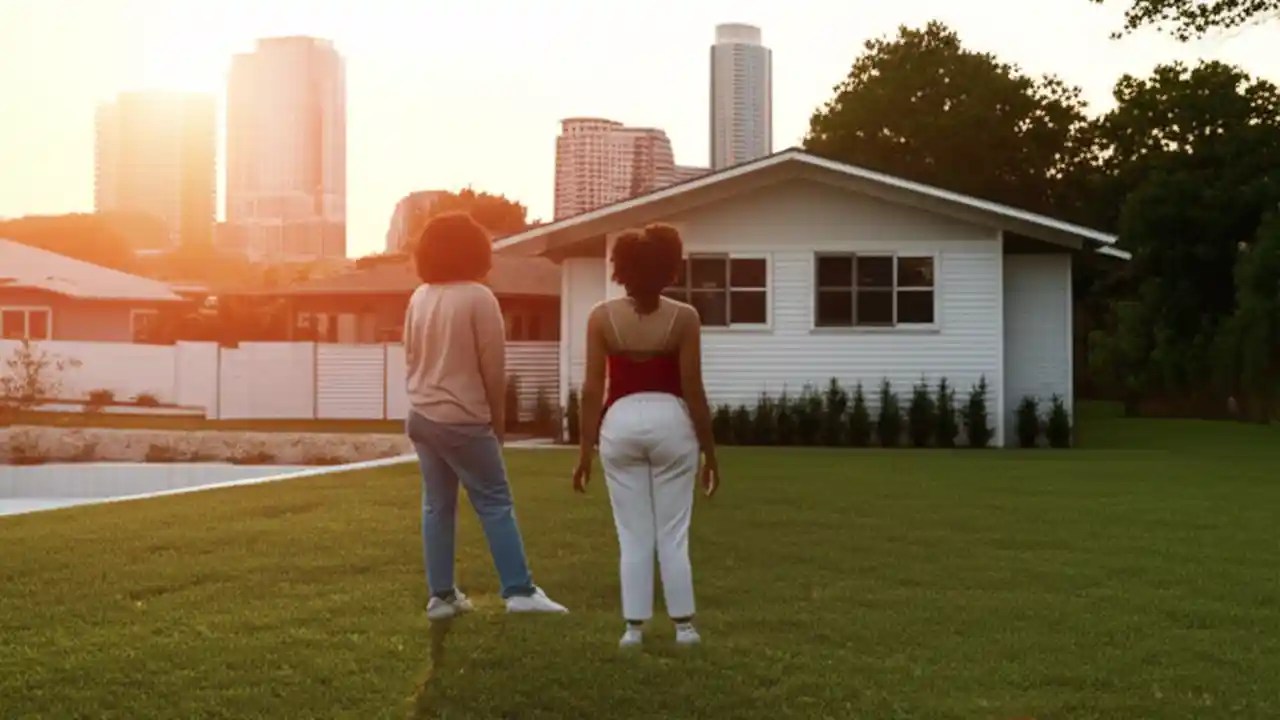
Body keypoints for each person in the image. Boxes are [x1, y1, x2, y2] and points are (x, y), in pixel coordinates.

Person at [403, 211, 568, 620]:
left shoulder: (420, 296)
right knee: (495, 501)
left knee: (437, 506)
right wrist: (499, 424)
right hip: (462, 418)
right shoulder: (479, 298)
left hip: (422, 415)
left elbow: (411, 357)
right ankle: (519, 590)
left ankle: (441, 597)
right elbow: (492, 370)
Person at [572, 223, 720, 648]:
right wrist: (710, 453)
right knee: (672, 532)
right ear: (669, 268)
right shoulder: (684, 318)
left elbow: (591, 390)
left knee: (633, 533)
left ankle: (633, 630)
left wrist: (584, 452)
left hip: (619, 423)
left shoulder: (601, 317)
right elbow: (693, 389)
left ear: (621, 268)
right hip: (671, 421)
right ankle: (684, 628)